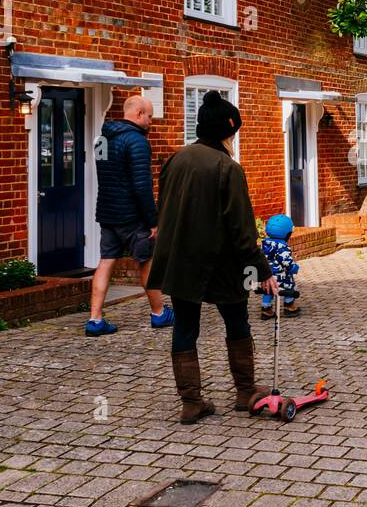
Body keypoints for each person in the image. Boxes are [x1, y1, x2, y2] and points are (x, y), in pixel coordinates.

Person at [148, 90, 279, 423]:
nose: (235, 137)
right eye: (234, 131)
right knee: (237, 322)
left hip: (181, 260)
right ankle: (246, 391)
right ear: (226, 131)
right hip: (220, 263)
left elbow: (163, 209)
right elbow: (241, 227)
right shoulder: (228, 168)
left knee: (186, 326)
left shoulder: (175, 160)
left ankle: (191, 401)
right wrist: (261, 268)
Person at [85, 95, 173, 337]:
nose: (151, 122)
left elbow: (104, 175)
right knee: (146, 262)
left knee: (105, 261)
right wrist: (153, 220)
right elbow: (141, 185)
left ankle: (95, 319)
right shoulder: (137, 142)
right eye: (150, 116)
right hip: (132, 216)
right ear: (138, 114)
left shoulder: (102, 139)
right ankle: (159, 313)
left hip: (108, 212)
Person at [259, 214, 301, 318]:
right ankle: (289, 306)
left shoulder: (264, 244)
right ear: (287, 233)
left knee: (268, 290)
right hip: (280, 276)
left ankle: (266, 309)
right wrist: (294, 268)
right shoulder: (282, 247)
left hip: (267, 275)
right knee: (290, 286)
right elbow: (286, 262)